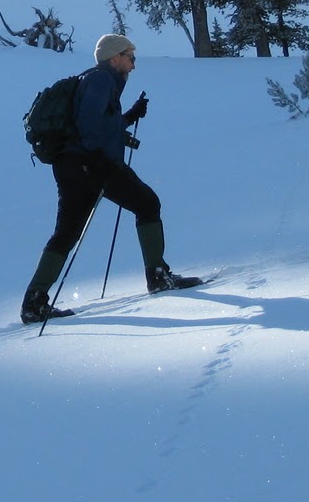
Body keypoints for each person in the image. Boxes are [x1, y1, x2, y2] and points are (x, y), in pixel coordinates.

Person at [19, 33, 201, 324]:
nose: (133, 64)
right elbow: (90, 126)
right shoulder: (102, 80)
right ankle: (158, 276)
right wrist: (100, 161)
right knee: (147, 204)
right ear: (115, 57)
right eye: (131, 57)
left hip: (71, 165)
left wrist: (129, 116)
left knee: (67, 232)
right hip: (92, 165)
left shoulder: (93, 80)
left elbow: (98, 125)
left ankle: (34, 302)